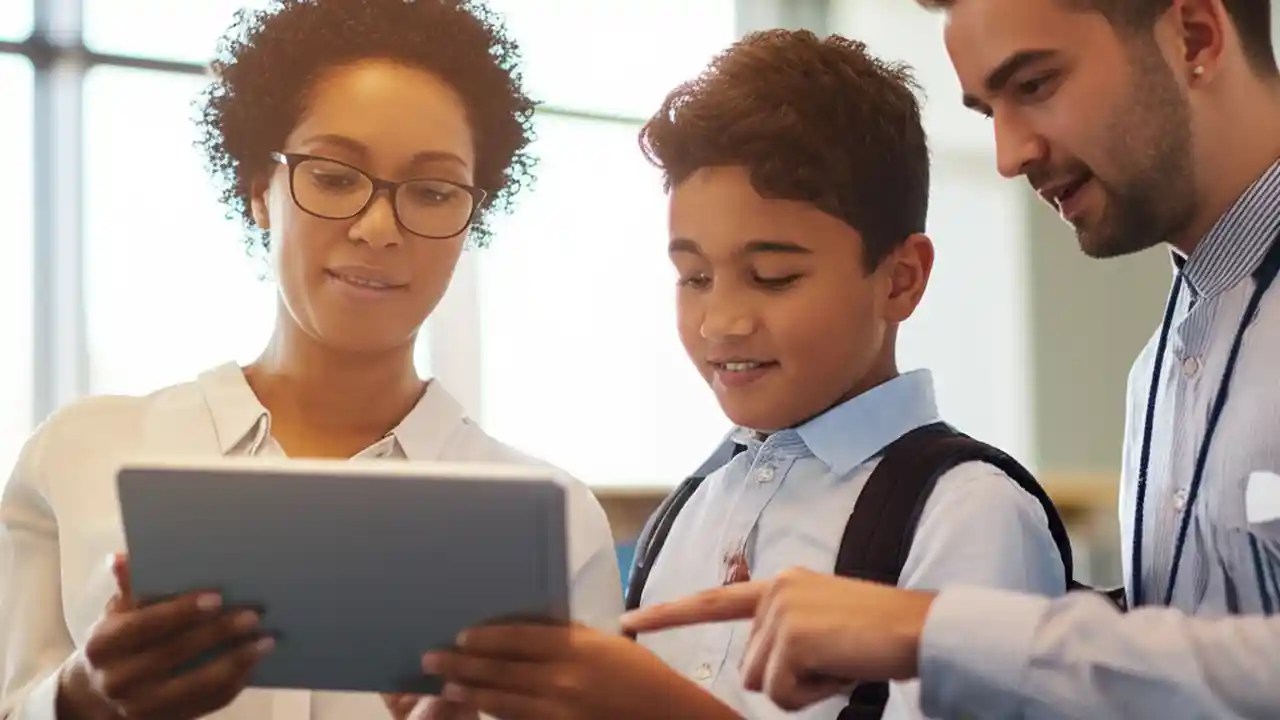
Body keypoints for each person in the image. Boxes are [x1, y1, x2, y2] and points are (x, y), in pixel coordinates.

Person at [622, 0, 1280, 718]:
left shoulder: (963, 503)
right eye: (985, 109)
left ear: (1195, 34)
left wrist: (931, 631)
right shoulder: (1159, 372)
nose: (1008, 157)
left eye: (1035, 84)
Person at [415, 29, 1071, 720]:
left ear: (901, 280)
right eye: (694, 276)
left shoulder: (969, 515)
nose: (720, 321)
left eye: (773, 277)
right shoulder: (689, 512)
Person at [0, 1, 623, 719]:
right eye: (333, 176)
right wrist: (83, 698)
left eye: (431, 191)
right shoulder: (80, 457)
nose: (379, 228)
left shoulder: (555, 523)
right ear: (259, 190)